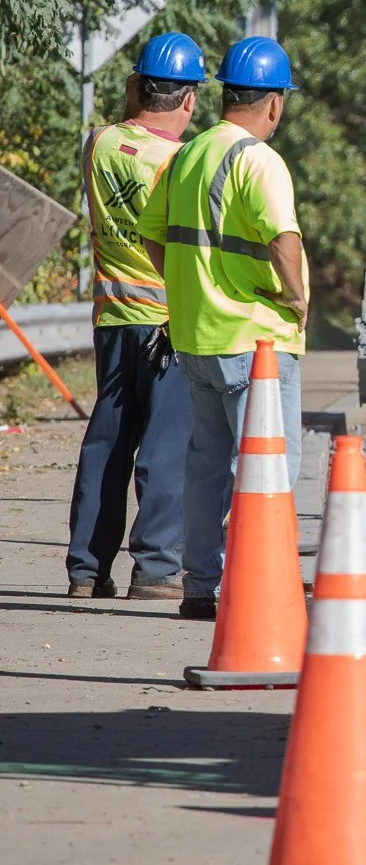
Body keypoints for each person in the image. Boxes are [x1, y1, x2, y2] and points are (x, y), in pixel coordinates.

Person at [137, 36, 308, 621]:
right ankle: (259, 587)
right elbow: (284, 239)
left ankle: (200, 586)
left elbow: (151, 235)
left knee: (206, 464)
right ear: (275, 104)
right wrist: (297, 298)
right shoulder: (258, 159)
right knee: (271, 465)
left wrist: (189, 288)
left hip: (196, 337)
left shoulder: (188, 154)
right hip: (255, 338)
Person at [64, 33, 204, 599]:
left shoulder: (97, 142)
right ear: (189, 100)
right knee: (167, 445)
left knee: (109, 439)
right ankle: (155, 567)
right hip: (168, 323)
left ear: (138, 85)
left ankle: (85, 569)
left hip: (113, 319)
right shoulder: (183, 161)